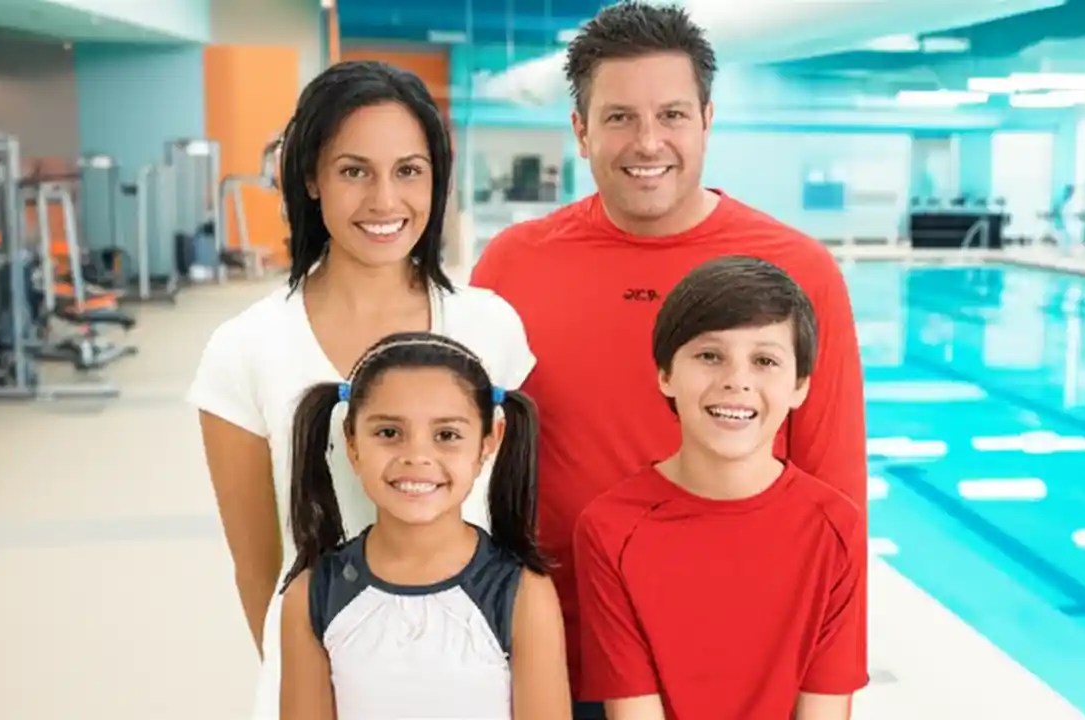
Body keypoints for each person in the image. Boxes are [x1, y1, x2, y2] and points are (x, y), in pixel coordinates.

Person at [469, 3, 868, 713]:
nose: (648, 141)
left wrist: (822, 686)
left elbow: (835, 496)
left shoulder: (798, 270)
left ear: (707, 120)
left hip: (742, 662)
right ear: (580, 130)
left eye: (672, 115)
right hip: (554, 654)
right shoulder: (512, 267)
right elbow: (473, 458)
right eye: (619, 117)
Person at [187, 60, 535, 719]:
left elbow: (513, 527)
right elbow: (260, 570)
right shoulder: (245, 348)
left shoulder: (490, 328)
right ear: (311, 178)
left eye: (408, 170)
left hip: (477, 682)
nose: (384, 201)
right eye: (354, 171)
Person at [573, 257, 867, 720]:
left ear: (800, 386)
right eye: (710, 356)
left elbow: (824, 709)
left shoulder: (835, 528)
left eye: (765, 361)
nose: (736, 381)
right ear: (666, 374)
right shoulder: (611, 528)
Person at [278, 331, 570, 719]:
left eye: (447, 435)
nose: (416, 456)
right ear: (351, 441)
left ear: (488, 441)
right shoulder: (312, 595)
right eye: (389, 433)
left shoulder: (522, 593)